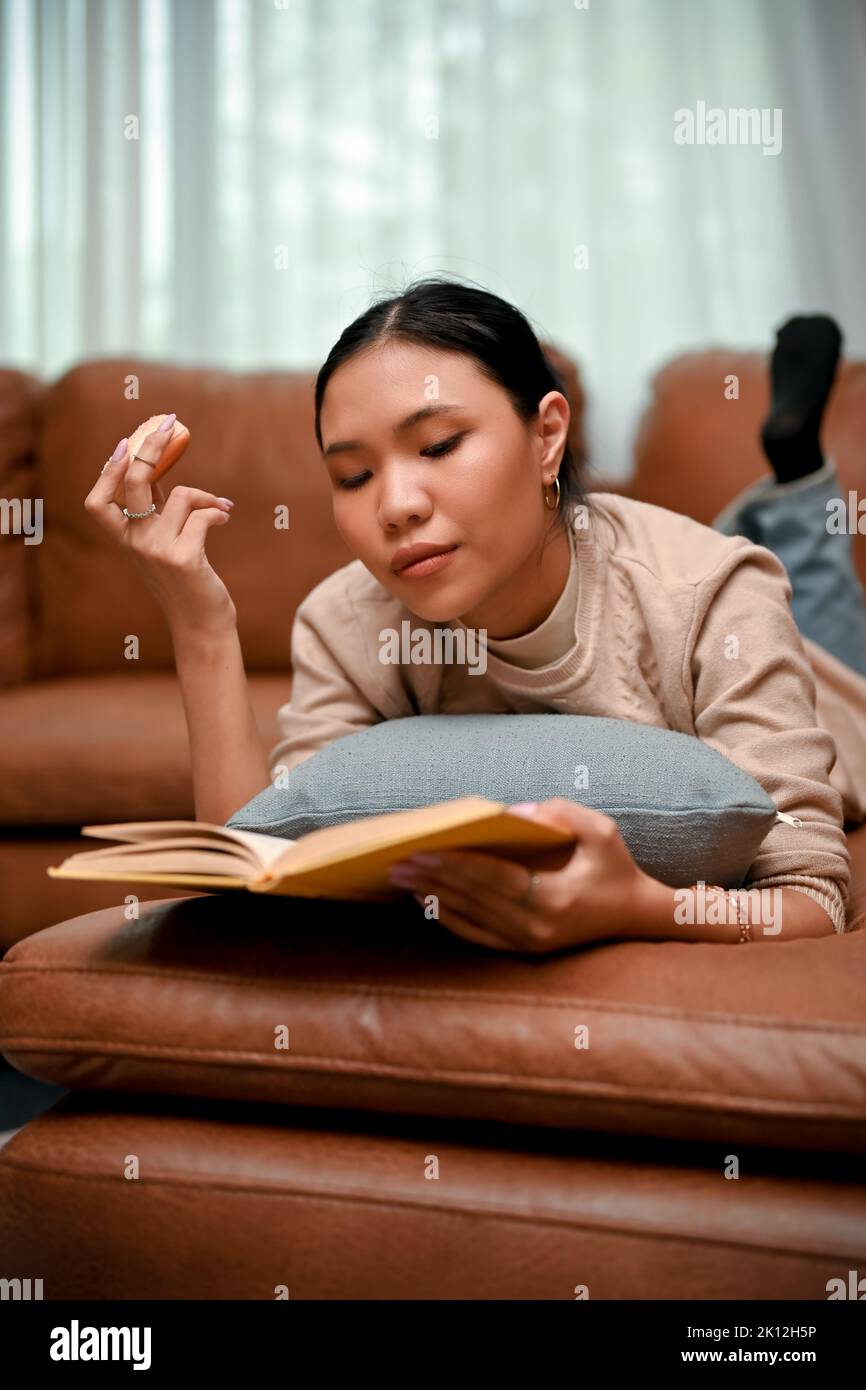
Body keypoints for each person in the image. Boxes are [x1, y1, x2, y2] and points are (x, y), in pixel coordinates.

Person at [85, 282, 866, 954]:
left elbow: (811, 904)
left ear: (546, 436)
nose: (395, 506)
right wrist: (199, 624)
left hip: (834, 689)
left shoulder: (717, 593)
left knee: (806, 595)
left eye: (439, 445)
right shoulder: (347, 621)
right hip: (640, 555)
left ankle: (795, 483)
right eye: (353, 476)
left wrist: (636, 908)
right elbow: (262, 867)